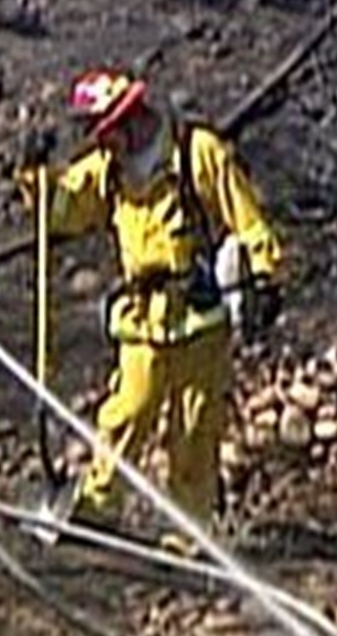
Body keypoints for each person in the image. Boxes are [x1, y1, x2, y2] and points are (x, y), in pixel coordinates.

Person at [15, 69, 283, 544]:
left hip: (199, 318)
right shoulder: (107, 171)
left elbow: (246, 217)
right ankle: (98, 507)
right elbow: (62, 210)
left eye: (104, 133)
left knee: (194, 429)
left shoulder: (194, 152)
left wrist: (265, 275)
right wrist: (35, 176)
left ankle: (188, 532)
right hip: (143, 319)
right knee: (126, 412)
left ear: (126, 121)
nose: (102, 145)